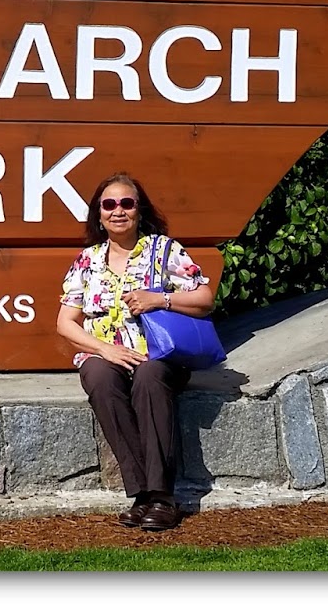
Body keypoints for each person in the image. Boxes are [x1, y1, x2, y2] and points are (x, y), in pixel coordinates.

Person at [55, 172, 215, 532]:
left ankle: (161, 496)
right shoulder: (88, 261)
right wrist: (105, 350)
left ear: (139, 210)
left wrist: (160, 299)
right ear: (98, 215)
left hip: (159, 355)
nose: (118, 211)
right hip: (107, 355)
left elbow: (205, 298)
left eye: (126, 203)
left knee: (148, 376)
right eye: (108, 205)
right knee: (96, 375)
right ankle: (144, 495)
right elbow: (65, 322)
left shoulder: (165, 250)